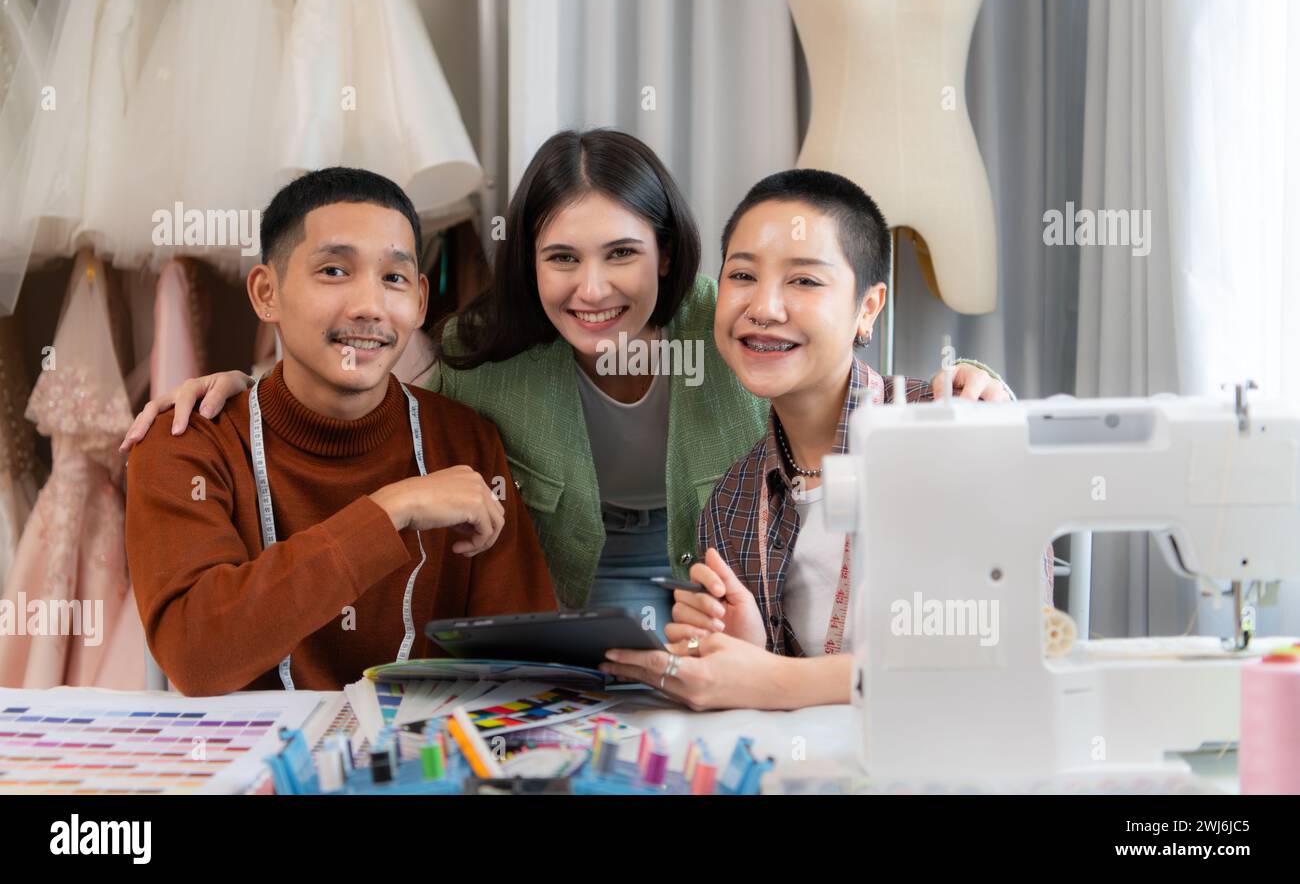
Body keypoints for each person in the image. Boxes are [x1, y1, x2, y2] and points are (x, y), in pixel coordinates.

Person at [120, 131, 1008, 629]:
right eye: (561, 259)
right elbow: (362, 363)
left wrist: (967, 380)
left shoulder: (735, 318)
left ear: (669, 256)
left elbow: (837, 381)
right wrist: (246, 376)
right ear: (529, 267)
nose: (593, 289)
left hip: (729, 567)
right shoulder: (485, 353)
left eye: (623, 254)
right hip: (577, 587)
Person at [599, 168, 1046, 710]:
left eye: (805, 281)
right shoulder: (730, 504)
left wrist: (768, 680)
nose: (763, 308)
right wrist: (750, 649)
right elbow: (772, 694)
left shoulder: (956, 429)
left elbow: (1003, 653)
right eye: (741, 276)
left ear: (868, 307)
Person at [123, 167, 556, 696]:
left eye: (393, 278)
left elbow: (522, 665)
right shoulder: (187, 440)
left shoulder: (467, 443)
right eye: (333, 270)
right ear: (267, 293)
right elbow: (196, 656)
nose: (369, 307)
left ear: (420, 301)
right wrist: (391, 510)